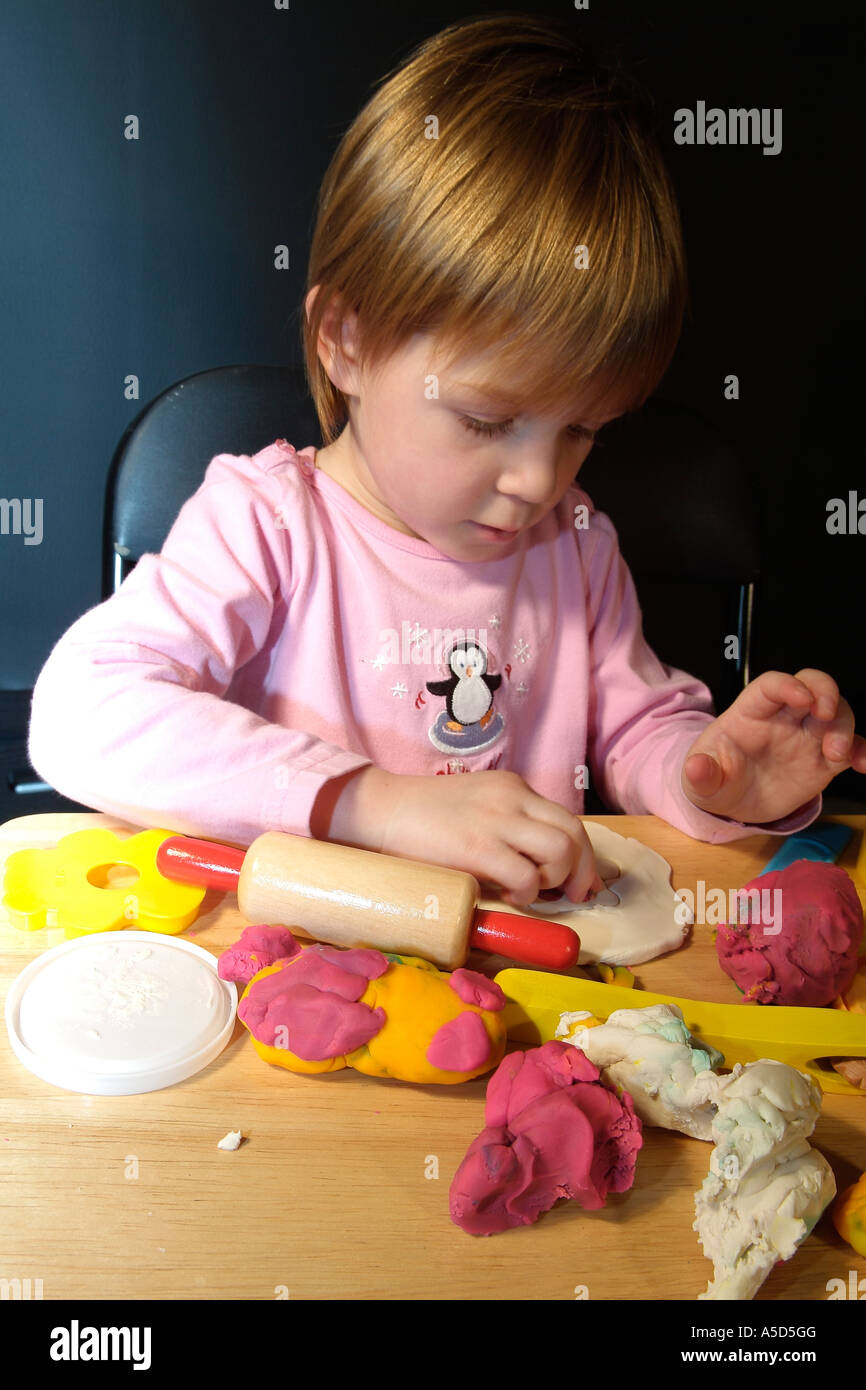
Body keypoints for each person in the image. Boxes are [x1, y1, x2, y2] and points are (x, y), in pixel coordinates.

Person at [28, 15, 865, 916]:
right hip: (298, 982)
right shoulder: (267, 526)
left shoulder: (574, 543)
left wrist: (709, 777)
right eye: (486, 419)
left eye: (583, 429)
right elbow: (82, 712)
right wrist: (373, 803)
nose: (540, 482)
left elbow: (638, 728)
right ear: (345, 343)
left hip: (530, 990)